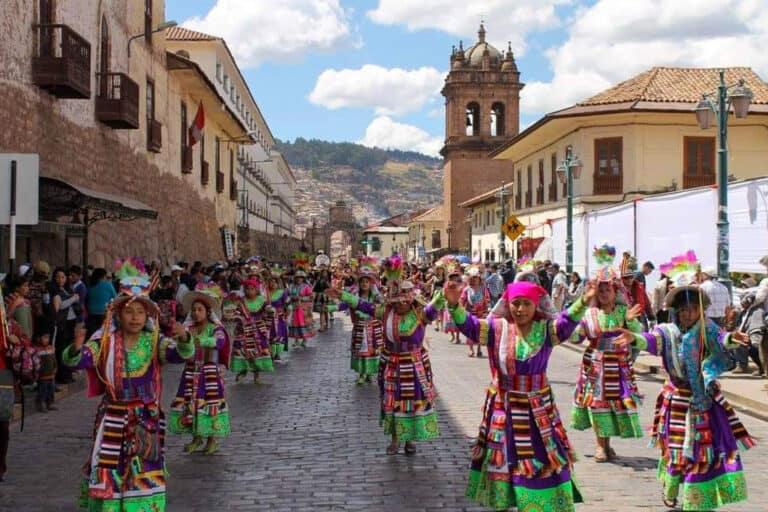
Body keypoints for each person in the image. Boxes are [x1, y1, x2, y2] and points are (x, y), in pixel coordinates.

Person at [441, 277, 596, 512]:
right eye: (516, 303)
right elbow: (471, 326)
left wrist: (583, 301)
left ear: (536, 306)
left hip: (537, 407)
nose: (520, 309)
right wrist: (454, 305)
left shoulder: (546, 330)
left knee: (540, 453)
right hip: (503, 405)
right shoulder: (497, 328)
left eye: (526, 304)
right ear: (508, 304)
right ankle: (503, 500)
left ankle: (541, 503)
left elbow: (565, 323)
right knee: (503, 453)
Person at [622, 252, 755, 511]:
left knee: (703, 449)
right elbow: (651, 340)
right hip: (677, 402)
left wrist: (732, 338)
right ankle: (671, 488)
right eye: (683, 309)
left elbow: (721, 339)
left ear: (701, 311)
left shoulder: (708, 330)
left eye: (693, 309)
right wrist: (634, 338)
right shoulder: (667, 332)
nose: (688, 313)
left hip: (705, 402)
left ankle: (697, 498)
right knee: (676, 448)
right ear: (676, 312)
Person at [62, 259, 195, 511]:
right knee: (109, 469)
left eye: (140, 312)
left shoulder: (154, 340)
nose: (135, 317)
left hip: (145, 420)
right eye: (129, 311)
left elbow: (180, 355)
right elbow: (79, 360)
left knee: (142, 472)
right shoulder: (104, 341)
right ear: (118, 314)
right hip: (112, 417)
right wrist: (75, 348)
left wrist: (186, 338)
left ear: (147, 315)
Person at [327, 254, 442, 455]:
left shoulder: (420, 315)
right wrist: (342, 295)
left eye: (402, 301)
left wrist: (445, 294)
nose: (398, 305)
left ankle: (410, 439)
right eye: (395, 301)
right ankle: (395, 439)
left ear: (411, 301)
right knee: (393, 400)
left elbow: (434, 308)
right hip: (392, 364)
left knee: (413, 401)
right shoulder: (386, 313)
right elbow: (363, 305)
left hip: (415, 365)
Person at [570, 245, 645, 462]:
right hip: (595, 367)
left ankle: (607, 444)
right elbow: (576, 337)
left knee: (613, 405)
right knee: (597, 403)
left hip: (618, 366)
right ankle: (600, 446)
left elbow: (640, 337)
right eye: (600, 290)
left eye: (607, 290)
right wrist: (571, 323)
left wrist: (631, 321)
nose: (603, 294)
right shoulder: (590, 313)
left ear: (615, 292)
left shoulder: (623, 312)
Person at [169, 283, 232, 454]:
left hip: (210, 373)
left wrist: (198, 341)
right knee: (191, 403)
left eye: (200, 310)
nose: (196, 313)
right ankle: (196, 438)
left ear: (208, 312)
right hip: (190, 372)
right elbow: (177, 344)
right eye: (194, 310)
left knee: (210, 403)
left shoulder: (215, 329)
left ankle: (212, 439)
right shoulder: (189, 329)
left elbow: (220, 343)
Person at [232, 273, 275, 381]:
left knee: (258, 350)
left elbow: (268, 309)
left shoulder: (261, 300)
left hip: (258, 330)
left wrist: (270, 311)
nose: (249, 291)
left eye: (252, 289)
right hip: (244, 330)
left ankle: (257, 376)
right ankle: (243, 370)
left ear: (256, 290)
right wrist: (237, 316)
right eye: (247, 289)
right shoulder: (241, 302)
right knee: (242, 350)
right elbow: (237, 313)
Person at [50, 267, 79, 384]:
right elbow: (60, 306)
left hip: (71, 322)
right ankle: (62, 376)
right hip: (62, 324)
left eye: (62, 277)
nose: (60, 279)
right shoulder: (54, 290)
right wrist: (73, 299)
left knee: (69, 349)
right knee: (62, 349)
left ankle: (68, 373)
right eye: (57, 277)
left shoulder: (67, 289)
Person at [461, 264, 489, 358]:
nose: (475, 280)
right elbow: (462, 300)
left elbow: (487, 299)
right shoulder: (467, 289)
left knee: (480, 331)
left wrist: (487, 308)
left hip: (482, 313)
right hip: (471, 314)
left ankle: (479, 349)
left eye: (476, 278)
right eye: (473, 278)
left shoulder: (483, 288)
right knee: (470, 331)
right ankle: (471, 349)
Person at [287, 255, 315, 348]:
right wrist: (292, 298)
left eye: (301, 278)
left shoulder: (306, 287)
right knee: (295, 323)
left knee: (304, 323)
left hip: (304, 309)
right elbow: (288, 295)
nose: (299, 279)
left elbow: (311, 296)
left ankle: (304, 339)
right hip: (295, 307)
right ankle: (296, 339)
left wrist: (302, 298)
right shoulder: (292, 286)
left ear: (303, 278)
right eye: (297, 278)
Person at [265, 268, 290, 361]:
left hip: (279, 317)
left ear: (277, 283)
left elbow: (288, 304)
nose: (272, 284)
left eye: (274, 282)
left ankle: (277, 354)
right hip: (268, 318)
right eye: (270, 282)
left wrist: (286, 314)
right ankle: (271, 353)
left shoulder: (282, 293)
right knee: (270, 335)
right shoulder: (265, 294)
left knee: (279, 334)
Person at [85, 268, 116, 337]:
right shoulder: (108, 284)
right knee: (103, 335)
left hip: (91, 313)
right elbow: (115, 297)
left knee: (92, 334)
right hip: (103, 313)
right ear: (104, 276)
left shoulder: (90, 285)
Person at [33, 328, 56, 412]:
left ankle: (49, 403)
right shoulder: (36, 349)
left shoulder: (50, 348)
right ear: (38, 338)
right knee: (42, 391)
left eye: (48, 338)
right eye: (45, 337)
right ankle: (41, 404)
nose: (47, 340)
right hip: (42, 376)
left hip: (51, 375)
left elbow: (54, 359)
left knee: (51, 390)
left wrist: (55, 367)